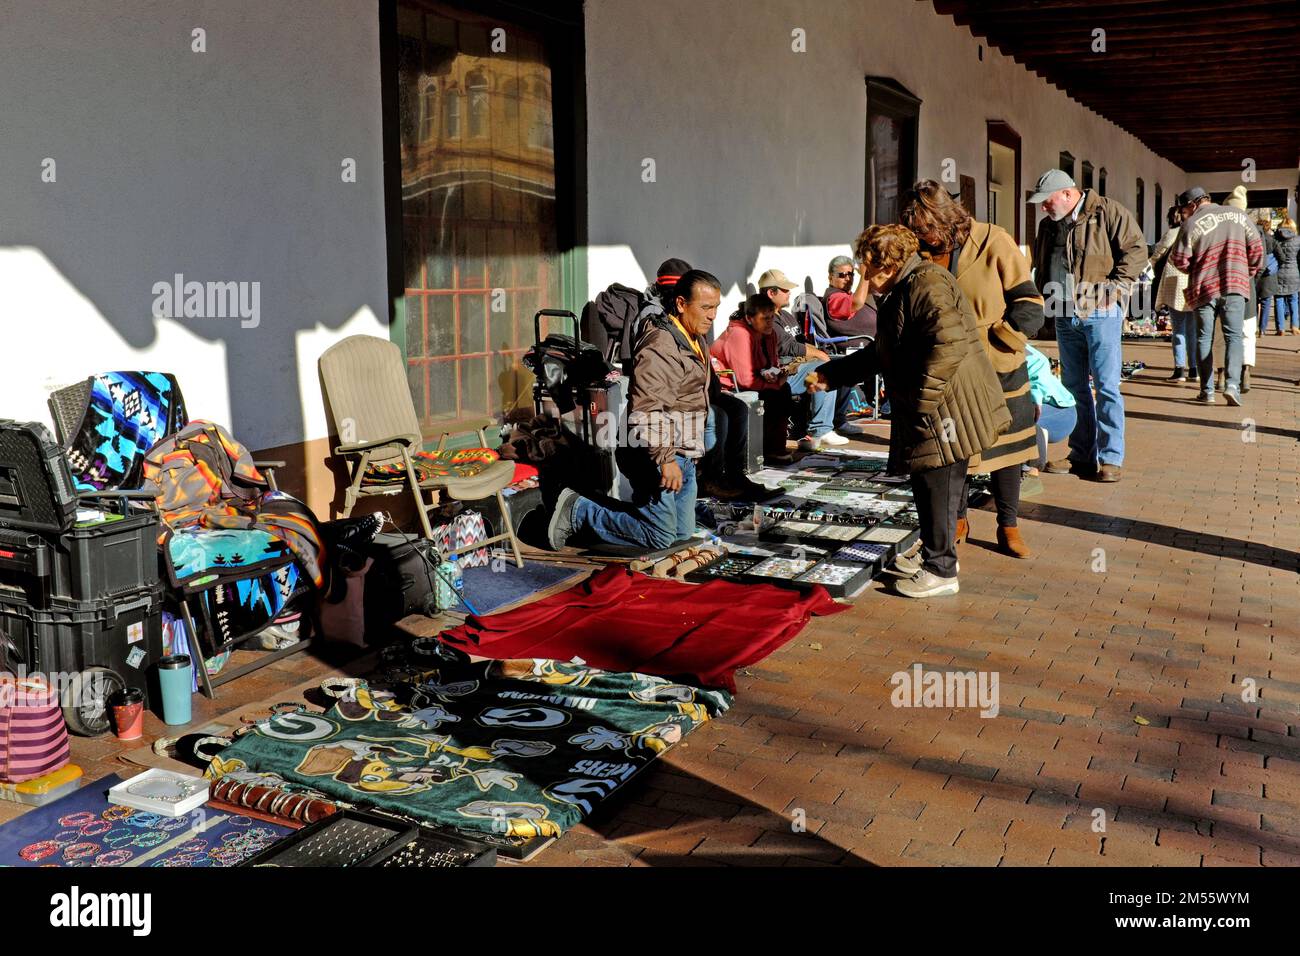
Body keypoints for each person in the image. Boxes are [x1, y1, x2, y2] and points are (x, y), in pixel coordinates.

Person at [807, 225, 1010, 599]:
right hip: (935, 406)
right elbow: (882, 352)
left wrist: (923, 400)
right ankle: (937, 555)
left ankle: (941, 569)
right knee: (929, 483)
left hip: (946, 409)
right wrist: (831, 374)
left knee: (940, 485)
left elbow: (948, 345)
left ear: (888, 264)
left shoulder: (926, 284)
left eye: (868, 269)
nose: (864, 278)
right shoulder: (907, 285)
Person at [900, 180, 1045, 559]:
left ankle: (1008, 525)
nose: (923, 238)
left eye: (926, 229)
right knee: (953, 450)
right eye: (916, 232)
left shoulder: (994, 240)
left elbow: (1029, 303)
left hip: (998, 365)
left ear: (946, 219)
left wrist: (1002, 341)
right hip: (948, 367)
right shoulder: (922, 253)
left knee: (1008, 453)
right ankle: (958, 521)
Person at [548, 270, 717, 551]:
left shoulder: (694, 339)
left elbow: (691, 399)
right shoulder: (661, 345)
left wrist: (693, 448)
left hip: (681, 449)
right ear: (681, 304)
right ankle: (578, 510)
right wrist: (665, 460)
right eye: (705, 307)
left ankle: (599, 509)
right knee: (660, 537)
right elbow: (647, 408)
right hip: (651, 450)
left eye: (715, 308)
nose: (711, 315)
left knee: (681, 533)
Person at [1029, 168, 1146, 482]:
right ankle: (1081, 455)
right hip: (1064, 311)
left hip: (1100, 312)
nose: (1043, 207)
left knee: (1107, 386)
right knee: (1074, 386)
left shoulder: (1107, 212)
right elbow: (1042, 265)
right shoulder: (1048, 226)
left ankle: (1111, 458)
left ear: (1068, 194)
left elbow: (1136, 251)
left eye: (1047, 200)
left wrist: (1115, 288)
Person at [711, 293, 838, 459]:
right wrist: (774, 383)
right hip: (729, 385)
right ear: (749, 318)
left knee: (784, 389)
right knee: (777, 393)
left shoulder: (770, 334)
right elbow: (745, 379)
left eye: (772, 318)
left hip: (756, 380)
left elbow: (772, 365)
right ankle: (769, 449)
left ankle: (777, 447)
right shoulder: (739, 334)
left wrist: (779, 375)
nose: (770, 322)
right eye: (765, 318)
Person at [1167, 186, 1263, 406]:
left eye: (1184, 210)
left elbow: (1179, 259)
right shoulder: (1239, 216)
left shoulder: (1190, 224)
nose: (1184, 214)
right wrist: (1246, 272)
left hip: (1204, 288)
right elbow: (1257, 250)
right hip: (1235, 285)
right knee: (1234, 337)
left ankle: (1207, 391)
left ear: (1192, 205)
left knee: (1204, 338)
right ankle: (1231, 385)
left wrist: (1195, 268)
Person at [756, 268, 846, 447]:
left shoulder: (786, 315)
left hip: (795, 366)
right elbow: (786, 347)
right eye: (785, 290)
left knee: (840, 366)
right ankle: (820, 429)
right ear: (770, 293)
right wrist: (819, 355)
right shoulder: (766, 317)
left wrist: (820, 353)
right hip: (781, 371)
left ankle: (839, 420)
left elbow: (801, 341)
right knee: (824, 370)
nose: (789, 293)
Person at [1151, 205, 1194, 382]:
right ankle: (1195, 369)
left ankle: (1179, 369)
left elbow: (1158, 252)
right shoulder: (1195, 230)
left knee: (1178, 329)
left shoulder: (1174, 232)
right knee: (1192, 330)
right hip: (1192, 282)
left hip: (1175, 284)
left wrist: (1150, 263)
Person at [1223, 186, 1258, 392]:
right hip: (1246, 286)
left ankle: (1221, 373)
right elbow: (1259, 262)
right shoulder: (1253, 228)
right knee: (1246, 332)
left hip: (1221, 285)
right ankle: (1245, 369)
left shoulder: (1219, 228)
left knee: (1222, 333)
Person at [1024, 344, 1077, 472]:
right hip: (1041, 408)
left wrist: (1035, 397)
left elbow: (1039, 362)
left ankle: (1031, 466)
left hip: (1059, 413)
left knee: (1015, 420)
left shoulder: (1011, 343)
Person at [824, 255, 879, 338]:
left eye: (850, 274)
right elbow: (857, 302)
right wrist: (865, 273)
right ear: (831, 277)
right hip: (861, 347)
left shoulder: (846, 294)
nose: (848, 278)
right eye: (842, 275)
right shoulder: (833, 298)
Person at [1273, 217, 1300, 335]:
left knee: (1279, 300)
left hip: (1278, 272)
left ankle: (1280, 328)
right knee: (1293, 300)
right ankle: (1294, 326)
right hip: (1293, 272)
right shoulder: (1298, 240)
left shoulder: (1276, 239)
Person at [1256, 216, 1281, 335]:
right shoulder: (1273, 240)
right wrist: (1275, 266)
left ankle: (1254, 327)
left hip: (1255, 275)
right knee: (1266, 303)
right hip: (1269, 276)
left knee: (1254, 302)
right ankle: (1262, 329)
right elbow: (1282, 257)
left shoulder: (1254, 239)